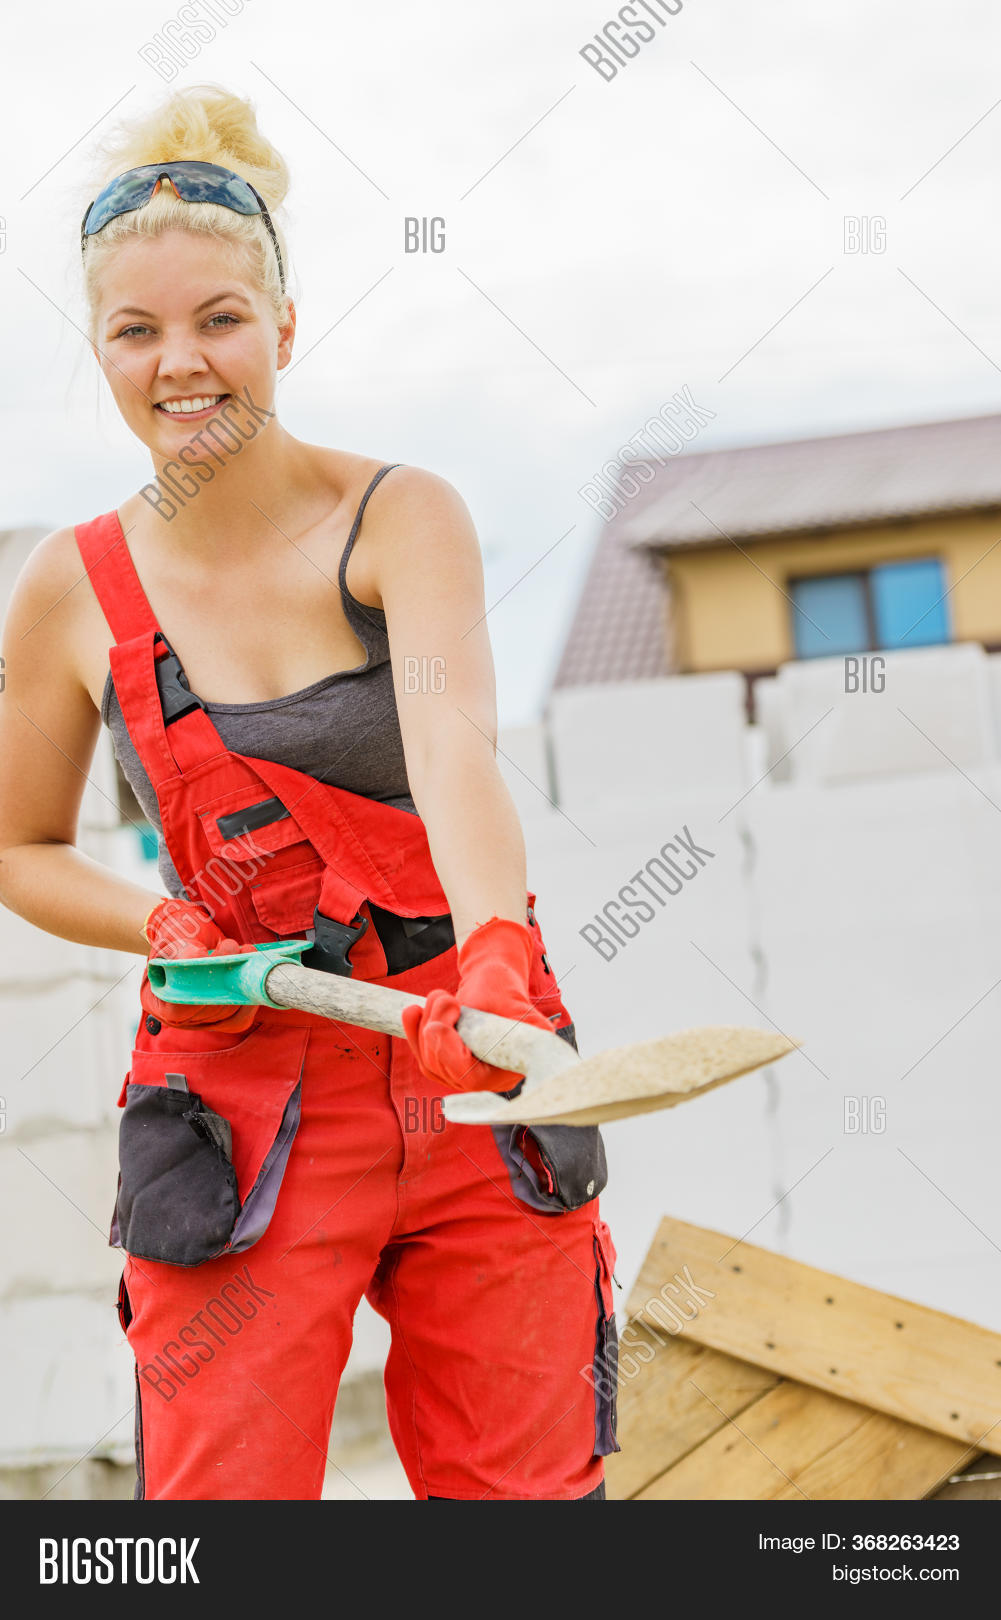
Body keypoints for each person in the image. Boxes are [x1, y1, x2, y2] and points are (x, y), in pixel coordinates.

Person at [0, 84, 618, 1501]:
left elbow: (452, 749)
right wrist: (158, 925)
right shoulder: (67, 589)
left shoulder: (400, 516)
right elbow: (20, 847)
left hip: (466, 1048)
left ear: (285, 326)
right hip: (240, 1093)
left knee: (530, 1505)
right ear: (98, 351)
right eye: (136, 331)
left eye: (220, 319)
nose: (182, 364)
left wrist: (498, 957)